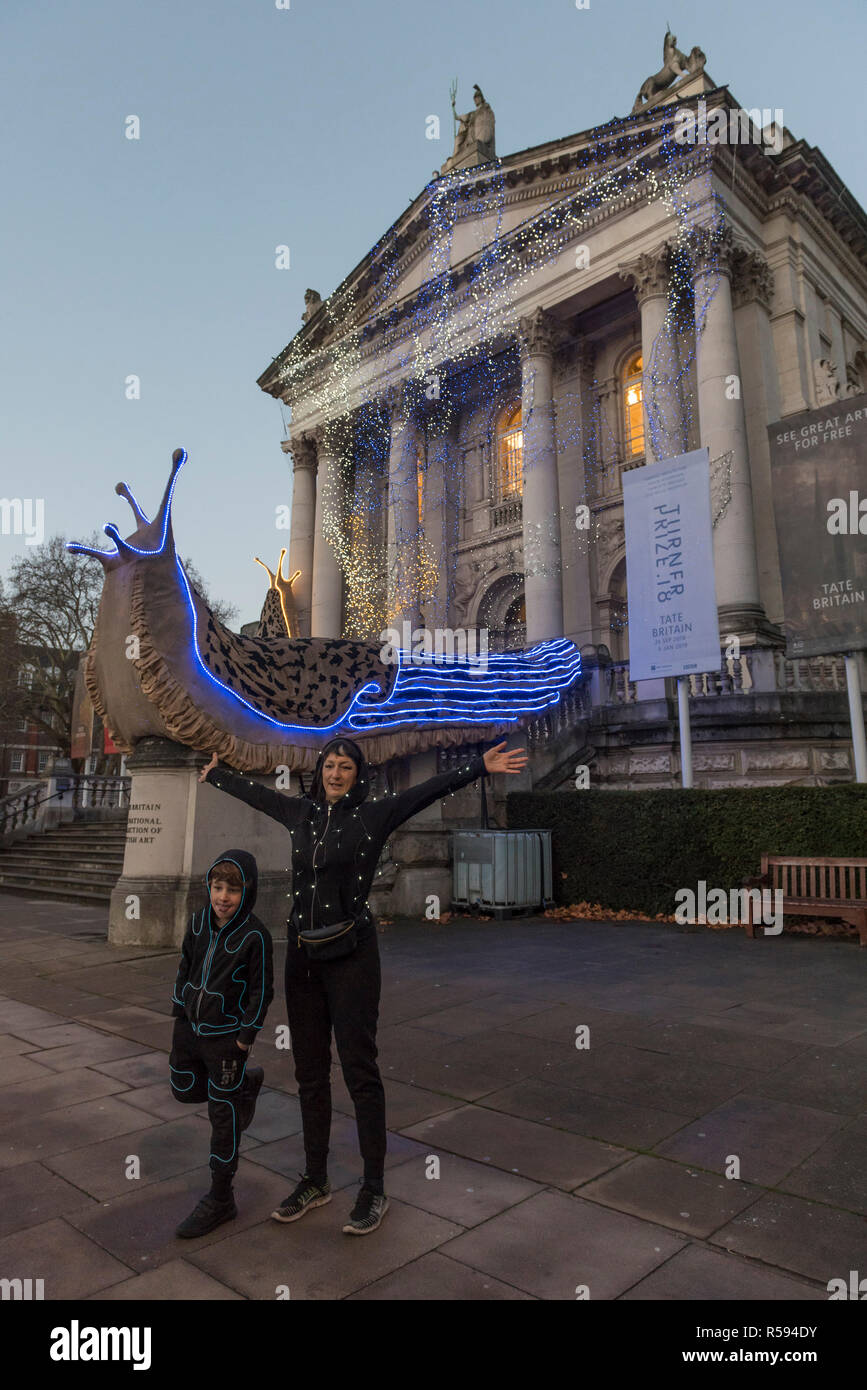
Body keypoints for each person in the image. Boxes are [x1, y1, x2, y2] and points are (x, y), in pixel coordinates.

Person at [199, 736, 527, 1235]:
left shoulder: (372, 817)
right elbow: (260, 797)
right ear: (319, 771)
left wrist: (478, 767)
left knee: (359, 1071)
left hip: (351, 958)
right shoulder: (302, 815)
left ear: (357, 774)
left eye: (345, 766)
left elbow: (425, 792)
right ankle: (315, 1179)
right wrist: (216, 776)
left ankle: (374, 1187)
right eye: (329, 765)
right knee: (310, 1073)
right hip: (304, 960)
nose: (335, 773)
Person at [169, 849, 274, 1238]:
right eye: (217, 887)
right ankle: (245, 1086)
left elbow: (261, 993)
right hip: (190, 1030)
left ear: (247, 891)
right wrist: (180, 1011)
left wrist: (245, 1040)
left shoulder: (255, 936)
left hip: (227, 1040)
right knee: (183, 1089)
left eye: (233, 889)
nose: (223, 897)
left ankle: (220, 1197)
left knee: (221, 1115)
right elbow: (184, 964)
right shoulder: (199, 922)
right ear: (209, 888)